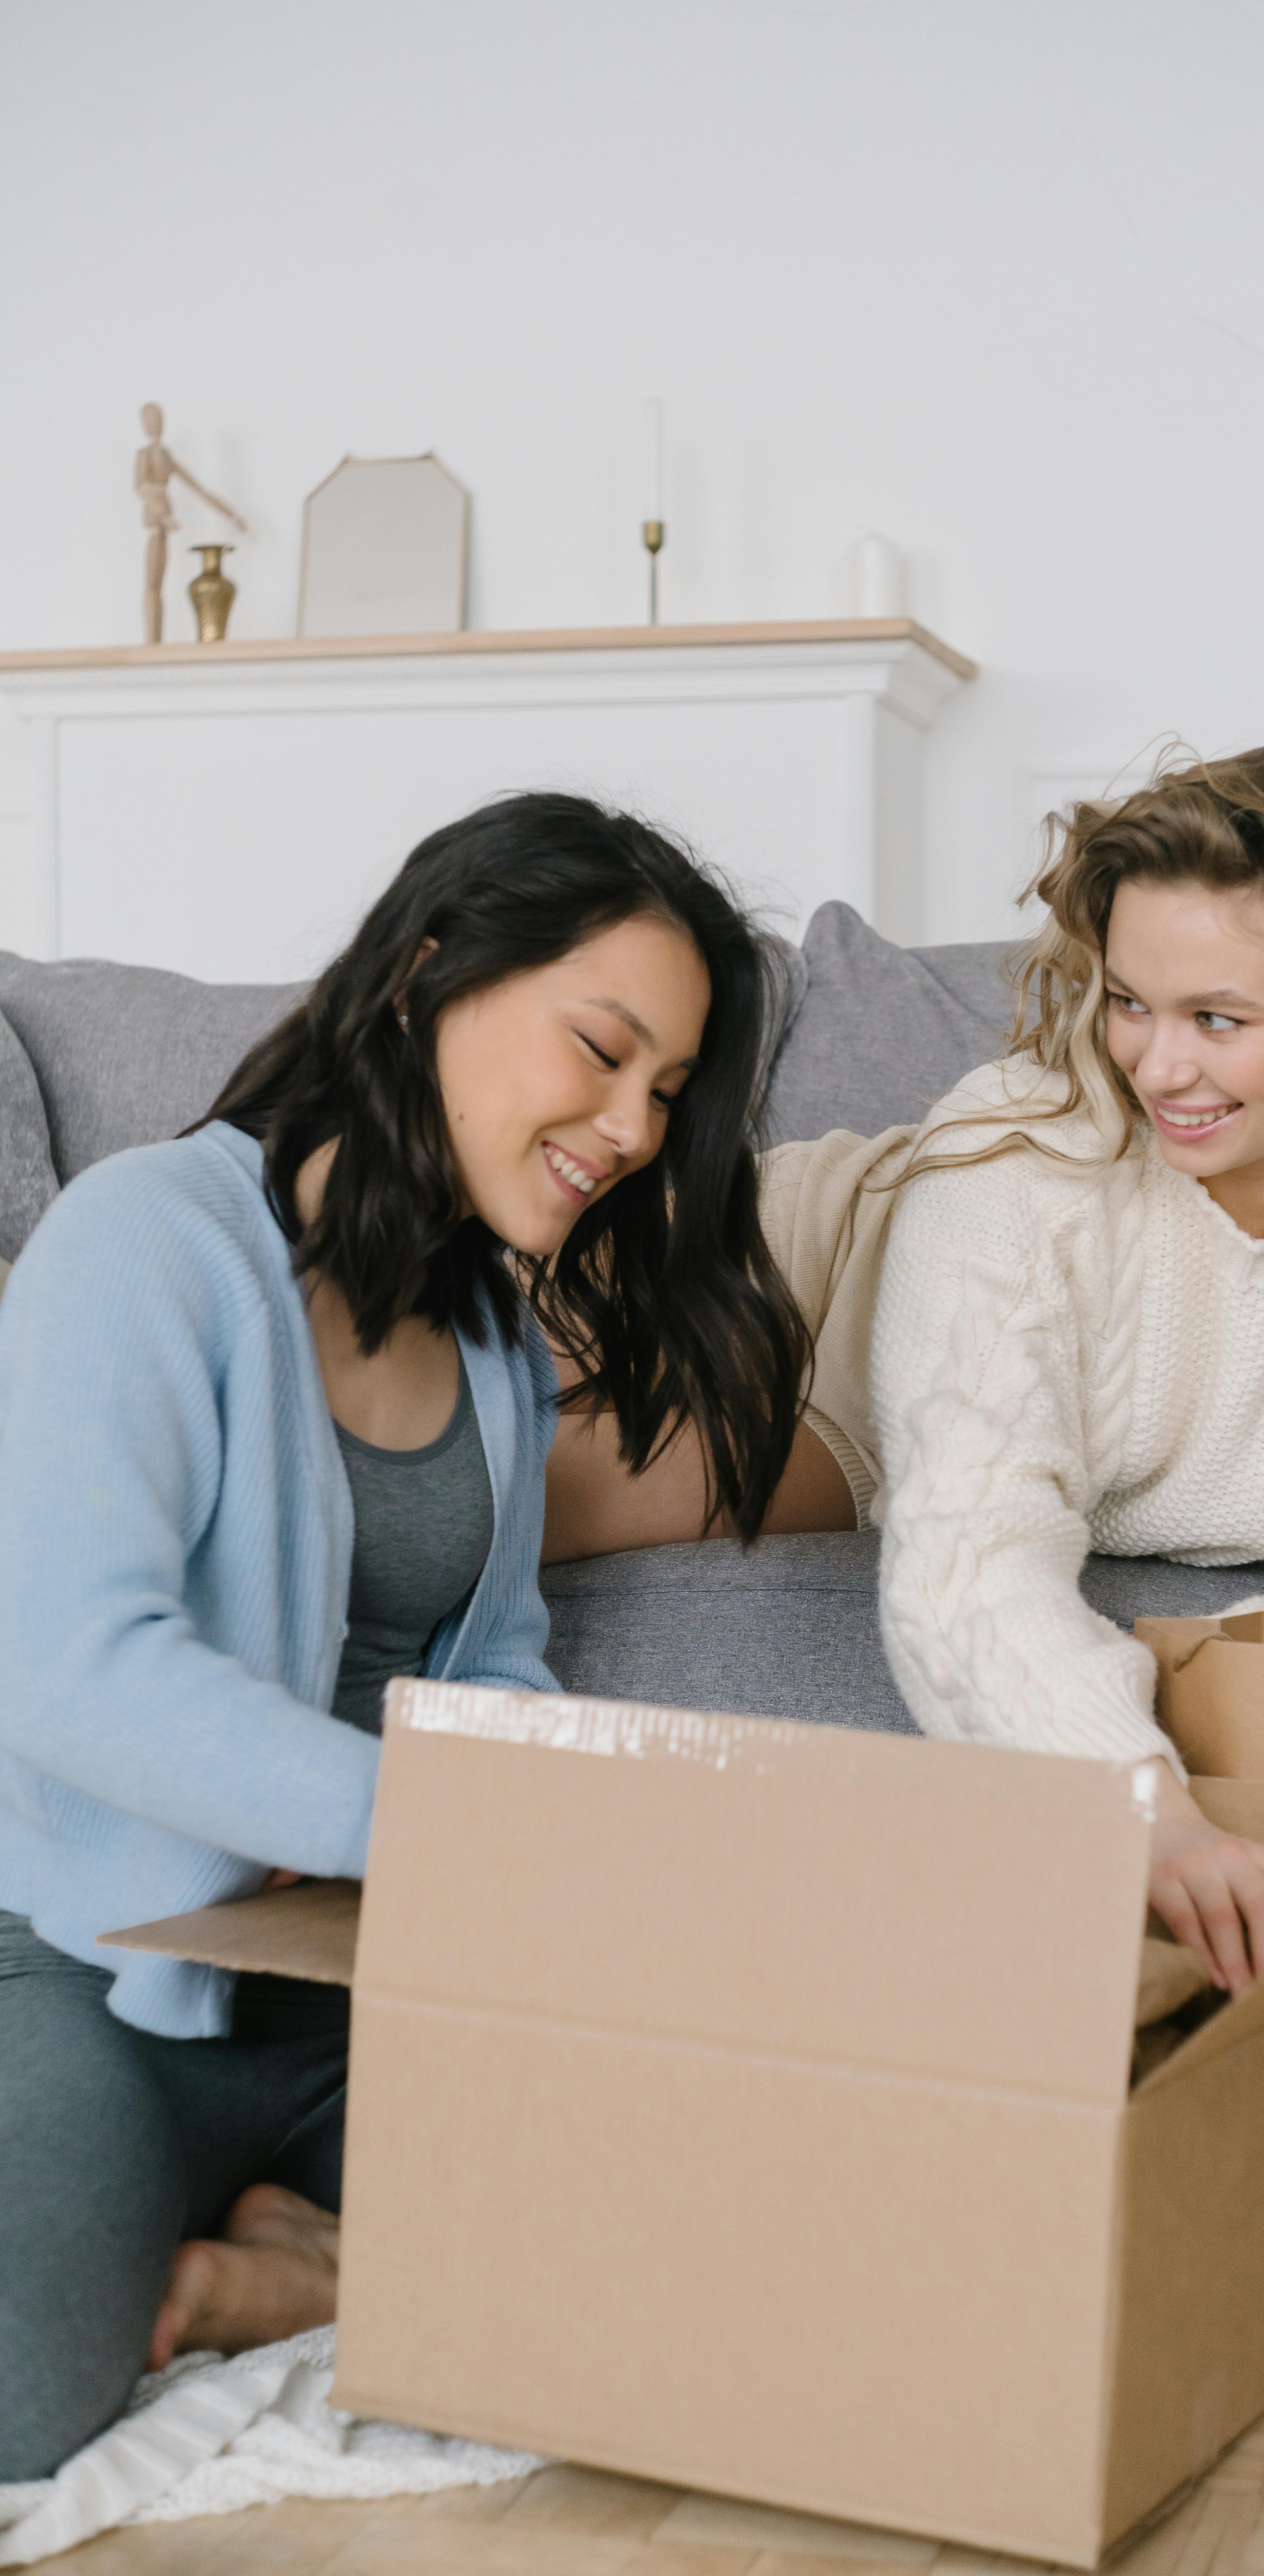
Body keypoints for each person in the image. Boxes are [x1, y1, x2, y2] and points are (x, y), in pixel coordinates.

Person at [0, 792, 806, 2480]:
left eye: (665, 1093)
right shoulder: (146, 1242)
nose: (634, 1127)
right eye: (600, 1050)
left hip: (362, 1994)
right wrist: (403, 1820)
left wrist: (555, 1852)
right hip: (91, 1978)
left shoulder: (496, 1351)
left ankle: (315, 2271)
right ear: (431, 971)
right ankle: (309, 2259)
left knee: (748, 2235)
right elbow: (67, 1660)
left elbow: (495, 1663)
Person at [543, 747, 1264, 2003]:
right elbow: (968, 1568)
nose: (1155, 1066)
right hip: (771, 1298)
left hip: (875, 1421)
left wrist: (1143, 1695)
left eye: (1220, 1020)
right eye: (1129, 1001)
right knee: (452, 1480)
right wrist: (1145, 1805)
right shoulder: (1019, 1153)